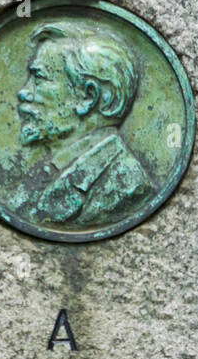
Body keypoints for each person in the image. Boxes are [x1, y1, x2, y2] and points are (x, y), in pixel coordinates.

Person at [11, 20, 153, 227]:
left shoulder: (128, 186)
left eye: (39, 78)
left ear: (88, 97)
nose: (24, 92)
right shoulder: (44, 172)